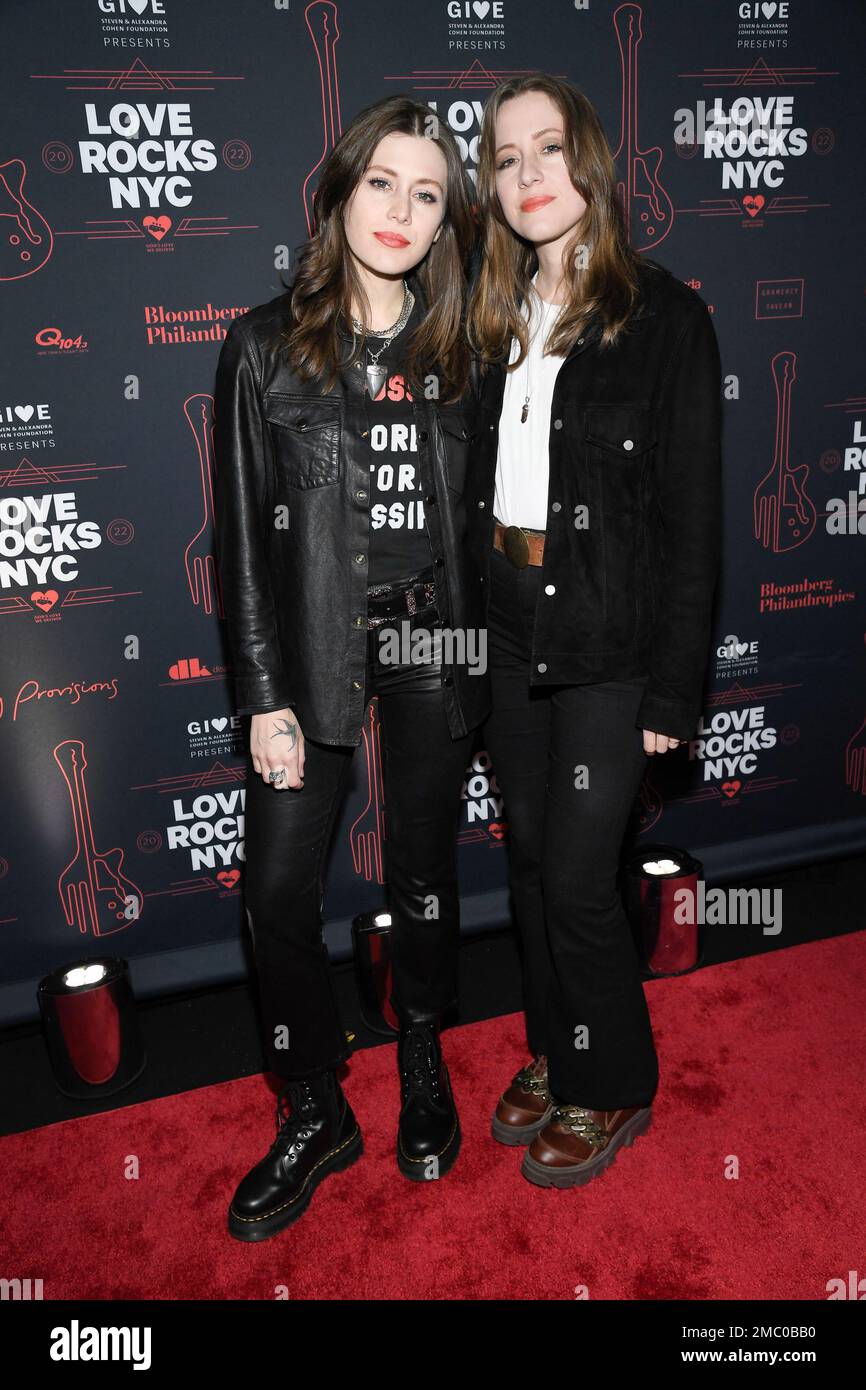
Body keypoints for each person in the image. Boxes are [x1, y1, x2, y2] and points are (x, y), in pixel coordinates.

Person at [213, 95, 490, 1240]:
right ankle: (314, 1102)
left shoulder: (465, 348)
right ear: (337, 195)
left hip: (434, 637)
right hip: (316, 645)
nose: (401, 210)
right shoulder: (263, 344)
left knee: (421, 872)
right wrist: (263, 696)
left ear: (442, 224)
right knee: (276, 893)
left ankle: (420, 1053)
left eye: (426, 194)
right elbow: (238, 541)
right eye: (382, 182)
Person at [465, 73, 723, 1188]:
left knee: (576, 876)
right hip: (508, 631)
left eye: (547, 148)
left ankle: (611, 1080)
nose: (527, 174)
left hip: (613, 646)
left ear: (594, 163)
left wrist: (673, 696)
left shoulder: (665, 319)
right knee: (527, 864)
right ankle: (554, 1044)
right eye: (505, 156)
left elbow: (692, 524)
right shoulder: (487, 317)